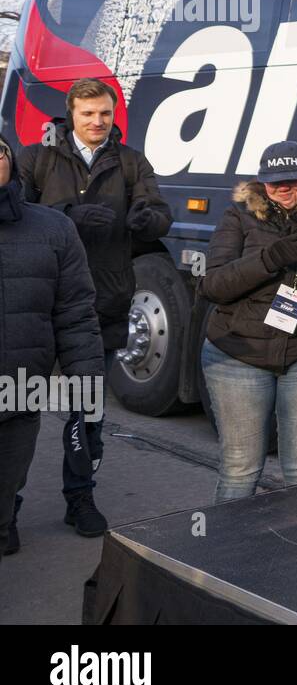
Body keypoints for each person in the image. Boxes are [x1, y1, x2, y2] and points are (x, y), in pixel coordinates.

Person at [13, 78, 172, 539]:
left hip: (99, 306)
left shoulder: (131, 161)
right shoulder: (37, 157)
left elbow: (160, 211)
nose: (97, 121)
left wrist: (147, 219)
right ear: (71, 115)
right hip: (35, 305)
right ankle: (8, 508)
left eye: (105, 113)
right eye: (88, 113)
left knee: (86, 412)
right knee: (19, 409)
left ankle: (80, 497)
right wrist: (66, 215)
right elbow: (12, 211)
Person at [198, 141, 297, 501]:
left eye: (293, 181)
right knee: (240, 468)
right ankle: (229, 539)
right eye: (274, 183)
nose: (284, 189)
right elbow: (213, 286)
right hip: (238, 352)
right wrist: (271, 258)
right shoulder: (239, 214)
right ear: (262, 181)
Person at [0, 134, 105, 564]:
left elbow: (75, 312)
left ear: (10, 160)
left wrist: (87, 385)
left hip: (18, 395)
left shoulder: (53, 229)